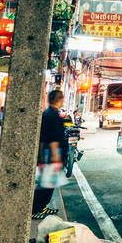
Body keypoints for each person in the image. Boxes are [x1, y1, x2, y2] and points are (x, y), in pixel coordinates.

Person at [32, 89, 68, 219]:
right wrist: (55, 155)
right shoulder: (52, 115)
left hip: (46, 153)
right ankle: (36, 209)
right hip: (51, 153)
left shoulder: (47, 113)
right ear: (59, 100)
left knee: (48, 182)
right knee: (47, 184)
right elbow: (52, 137)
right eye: (62, 98)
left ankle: (41, 207)